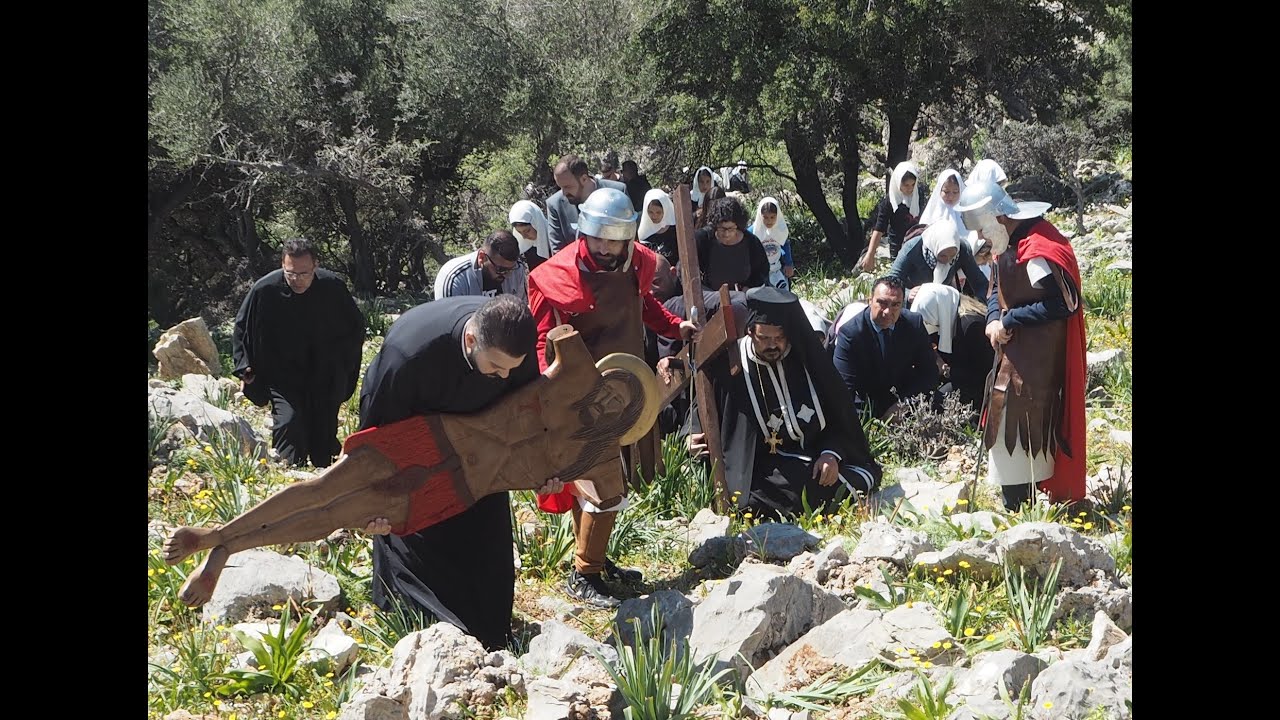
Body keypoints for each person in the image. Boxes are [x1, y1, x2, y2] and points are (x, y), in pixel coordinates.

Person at [357, 294, 560, 651]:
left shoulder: (513, 351)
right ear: (470, 340)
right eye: (495, 367)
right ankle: (425, 630)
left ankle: (489, 637)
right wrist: (372, 500)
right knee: (416, 537)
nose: (504, 377)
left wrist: (544, 469)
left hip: (482, 449)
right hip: (412, 441)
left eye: (511, 369)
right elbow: (374, 440)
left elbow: (527, 414)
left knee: (487, 544)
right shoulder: (409, 354)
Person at [526, 187, 698, 608]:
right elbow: (543, 342)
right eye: (597, 238)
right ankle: (584, 573)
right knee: (601, 486)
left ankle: (595, 560)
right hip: (579, 398)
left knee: (600, 483)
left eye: (612, 240)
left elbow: (643, 304)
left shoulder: (635, 262)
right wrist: (552, 397)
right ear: (584, 231)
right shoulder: (555, 277)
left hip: (624, 391)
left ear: (626, 239)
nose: (604, 247)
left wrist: (673, 326)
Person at [680, 287, 882, 519]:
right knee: (758, 493)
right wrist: (690, 435)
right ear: (750, 332)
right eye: (764, 338)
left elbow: (838, 415)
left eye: (779, 338)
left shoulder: (807, 361)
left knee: (848, 478)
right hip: (758, 462)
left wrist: (831, 453)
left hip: (812, 453)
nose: (772, 345)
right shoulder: (734, 363)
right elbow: (702, 405)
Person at [956, 179, 1087, 511]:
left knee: (1024, 429)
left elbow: (1064, 303)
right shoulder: (1008, 242)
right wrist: (992, 320)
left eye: (982, 228)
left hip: (1037, 361)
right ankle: (1018, 509)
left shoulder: (1038, 247)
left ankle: (1022, 511)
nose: (981, 236)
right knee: (1005, 427)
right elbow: (995, 291)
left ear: (998, 218)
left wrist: (1011, 319)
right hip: (1012, 355)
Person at [232, 238, 365, 468]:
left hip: (324, 373)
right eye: (290, 273)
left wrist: (345, 365)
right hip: (282, 376)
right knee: (289, 423)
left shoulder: (333, 288)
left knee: (323, 435)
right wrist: (244, 366)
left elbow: (355, 328)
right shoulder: (265, 289)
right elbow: (243, 328)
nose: (297, 279)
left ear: (316, 265)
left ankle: (326, 470)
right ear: (282, 265)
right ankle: (290, 472)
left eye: (304, 273)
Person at [832, 275, 939, 422]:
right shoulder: (851, 334)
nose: (888, 311)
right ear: (870, 300)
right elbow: (843, 388)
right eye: (882, 303)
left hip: (905, 396)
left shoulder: (913, 323)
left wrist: (904, 404)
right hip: (867, 402)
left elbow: (929, 373)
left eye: (895, 305)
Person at [887, 220, 990, 302]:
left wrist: (988, 308)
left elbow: (980, 284)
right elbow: (891, 282)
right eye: (943, 255)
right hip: (914, 300)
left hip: (943, 297)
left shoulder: (962, 249)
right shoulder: (912, 248)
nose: (947, 260)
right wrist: (907, 293)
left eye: (952, 256)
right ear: (934, 248)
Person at [546, 154, 628, 255]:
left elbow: (628, 239)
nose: (564, 193)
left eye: (567, 187)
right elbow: (558, 253)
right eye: (560, 187)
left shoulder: (618, 192)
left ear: (584, 179)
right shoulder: (555, 205)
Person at [860, 160, 928, 270]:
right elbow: (879, 228)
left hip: (918, 243)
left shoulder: (919, 194)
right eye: (906, 185)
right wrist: (870, 254)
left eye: (912, 184)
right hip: (898, 246)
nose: (910, 189)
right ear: (898, 182)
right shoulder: (890, 201)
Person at [695, 196, 771, 291]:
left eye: (731, 228)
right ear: (715, 225)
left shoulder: (752, 243)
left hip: (743, 296)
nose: (726, 234)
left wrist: (749, 288)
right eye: (722, 228)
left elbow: (762, 272)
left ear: (738, 226)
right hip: (709, 296)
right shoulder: (703, 240)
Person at [433, 230, 529, 301]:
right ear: (482, 257)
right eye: (501, 269)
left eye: (511, 269)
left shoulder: (517, 269)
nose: (507, 275)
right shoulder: (455, 279)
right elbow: (451, 320)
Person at [748, 197, 795, 291]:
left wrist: (789, 264)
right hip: (759, 271)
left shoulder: (781, 229)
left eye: (772, 217)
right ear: (760, 215)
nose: (769, 221)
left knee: (783, 293)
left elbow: (785, 245)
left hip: (777, 268)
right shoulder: (753, 231)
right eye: (765, 217)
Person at [919, 169, 969, 249]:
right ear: (939, 190)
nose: (951, 196)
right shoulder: (933, 211)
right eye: (946, 192)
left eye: (955, 192)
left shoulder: (966, 212)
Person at [637, 188, 679, 267]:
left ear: (665, 211)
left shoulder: (676, 231)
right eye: (650, 212)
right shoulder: (642, 233)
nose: (654, 216)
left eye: (658, 212)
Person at [509, 200, 551, 271]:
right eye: (519, 232)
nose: (524, 237)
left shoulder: (556, 238)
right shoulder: (527, 248)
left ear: (536, 224)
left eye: (527, 231)